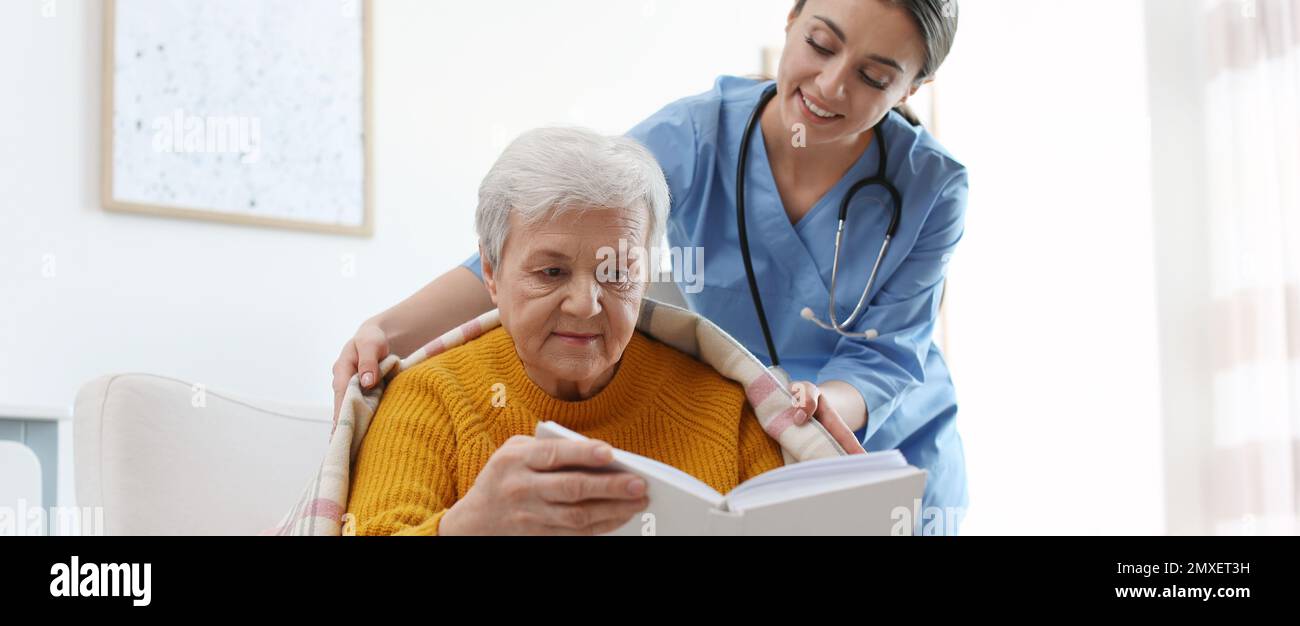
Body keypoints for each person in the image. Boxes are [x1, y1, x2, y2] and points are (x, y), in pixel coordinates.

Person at [336, 0, 969, 534]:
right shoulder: (699, 135)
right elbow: (543, 230)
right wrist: (387, 332)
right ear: (790, 19)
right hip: (746, 411)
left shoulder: (933, 187)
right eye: (820, 43)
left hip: (872, 432)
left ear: (913, 87)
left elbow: (887, 356)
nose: (831, 85)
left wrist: (808, 404)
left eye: (875, 76)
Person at [345, 128, 862, 536]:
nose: (586, 304)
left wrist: (848, 504)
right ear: (490, 274)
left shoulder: (725, 410)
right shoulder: (429, 397)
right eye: (551, 272)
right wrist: (464, 528)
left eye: (616, 272)